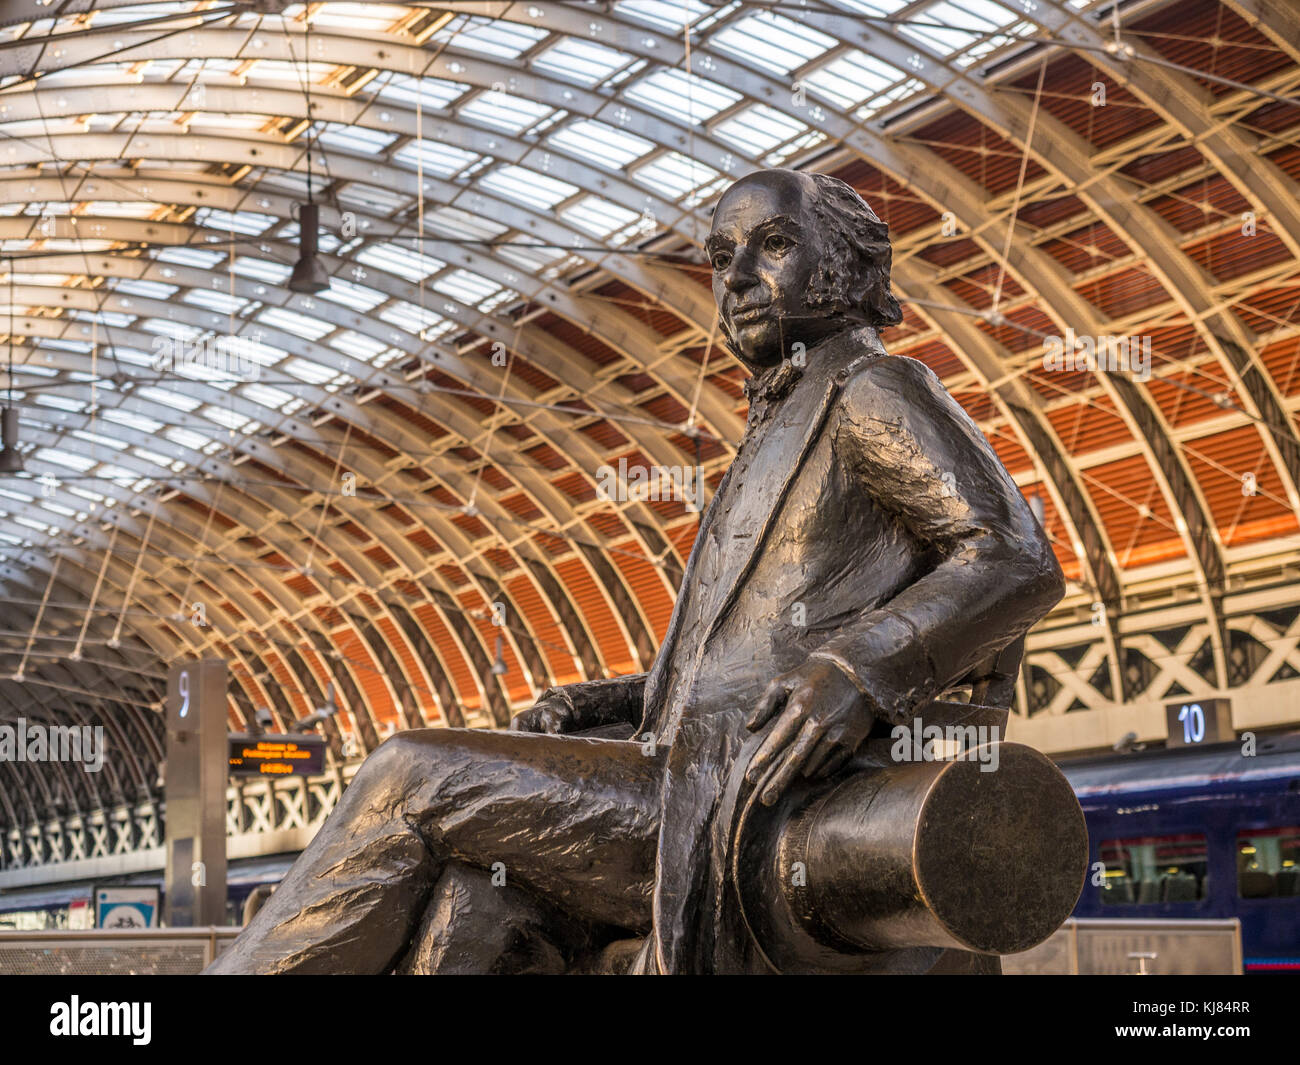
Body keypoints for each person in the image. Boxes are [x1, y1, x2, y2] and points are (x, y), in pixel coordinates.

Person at [206, 168, 1064, 975]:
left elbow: (1014, 556)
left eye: (773, 245)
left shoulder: (876, 389)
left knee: (407, 771)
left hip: (735, 788)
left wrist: (855, 672)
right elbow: (722, 668)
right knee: (477, 905)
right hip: (676, 762)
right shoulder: (780, 422)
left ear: (843, 266)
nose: (736, 277)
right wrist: (605, 702)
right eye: (722, 258)